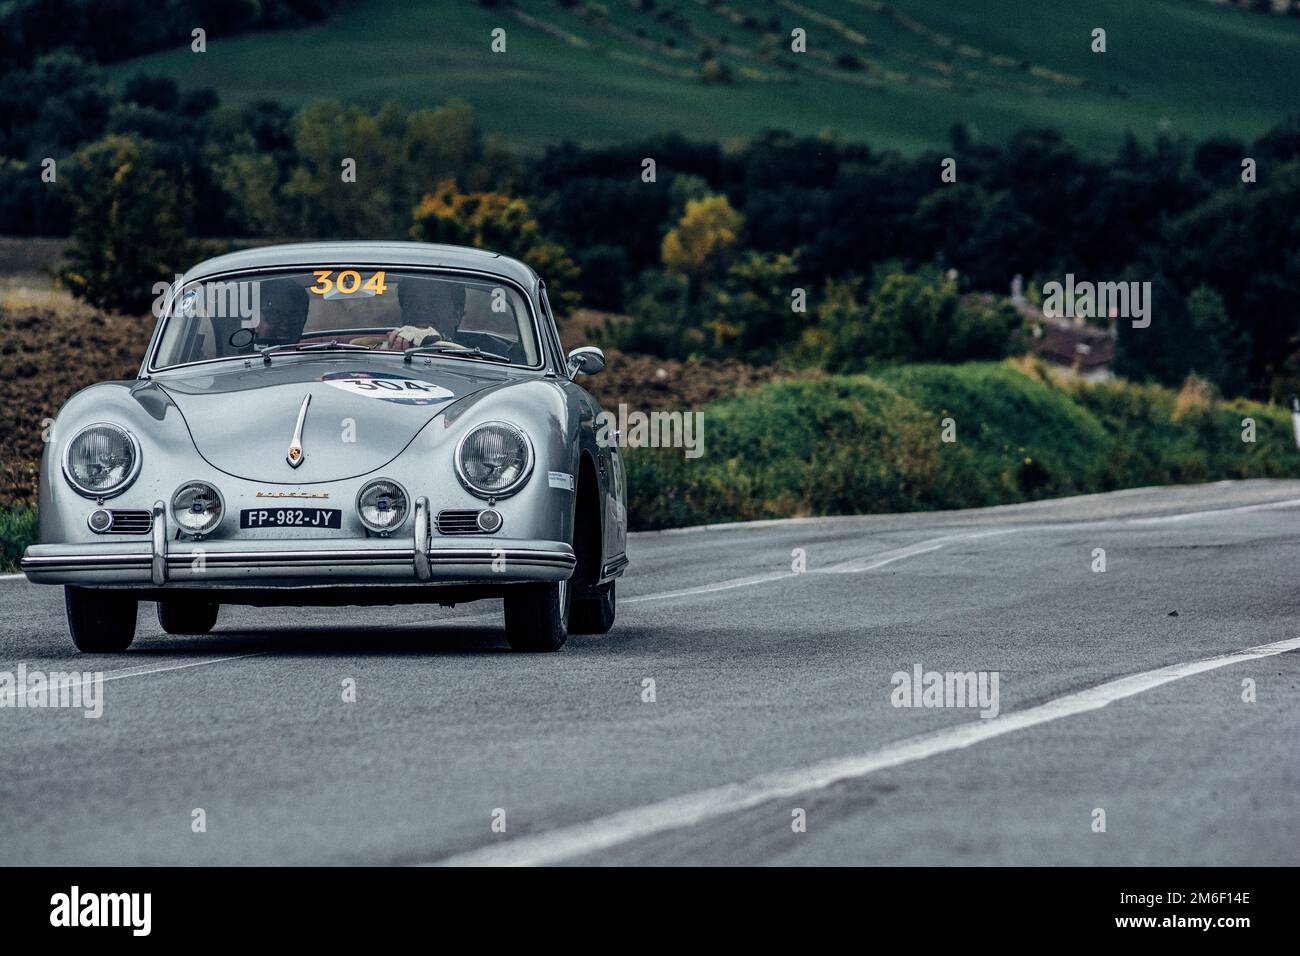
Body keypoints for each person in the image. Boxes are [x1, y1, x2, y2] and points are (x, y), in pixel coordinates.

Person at [381, 279, 467, 350]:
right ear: (403, 311)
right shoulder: (383, 352)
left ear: (456, 315)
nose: (422, 310)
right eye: (414, 301)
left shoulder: (473, 360)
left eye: (435, 301)